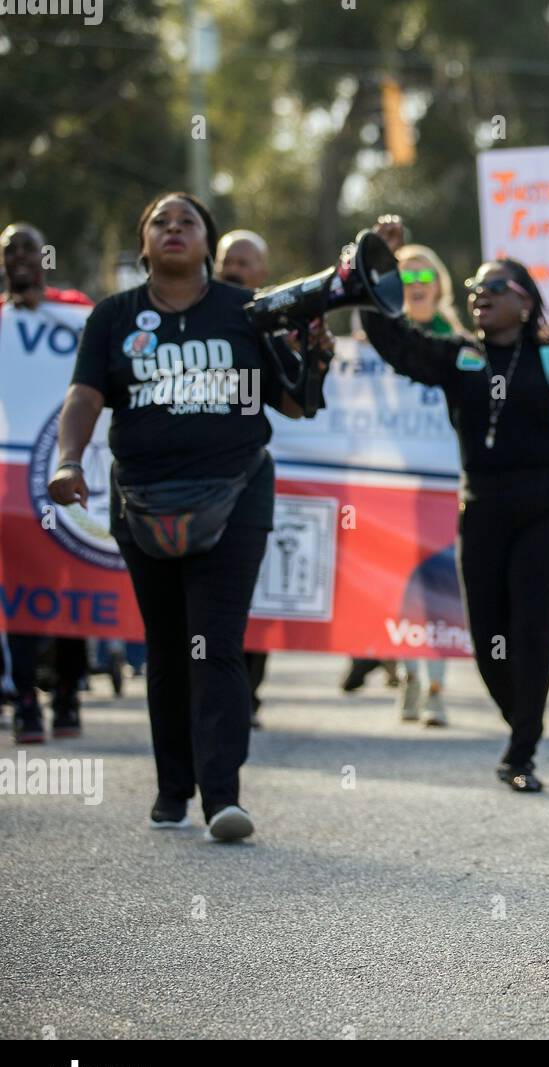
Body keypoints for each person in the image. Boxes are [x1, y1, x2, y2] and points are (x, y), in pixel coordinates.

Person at [48, 191, 332, 841]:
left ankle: (221, 798)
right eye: (160, 222)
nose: (174, 229)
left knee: (216, 641)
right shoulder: (112, 316)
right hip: (142, 501)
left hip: (236, 496)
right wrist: (68, 461)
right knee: (169, 647)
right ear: (143, 243)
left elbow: (293, 405)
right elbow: (85, 395)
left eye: (188, 222)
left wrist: (313, 353)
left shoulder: (246, 313)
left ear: (209, 242)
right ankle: (172, 787)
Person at [360, 216, 549, 792]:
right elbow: (391, 340)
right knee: (488, 638)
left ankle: (521, 752)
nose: (480, 295)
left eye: (495, 287)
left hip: (544, 510)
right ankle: (523, 724)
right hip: (480, 509)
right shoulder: (458, 357)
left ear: (526, 302)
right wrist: (376, 266)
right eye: (475, 288)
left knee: (530, 630)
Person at [1, 222, 93, 743]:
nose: (18, 258)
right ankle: (26, 704)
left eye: (28, 250)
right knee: (21, 592)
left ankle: (67, 692)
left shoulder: (74, 309)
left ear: (45, 258)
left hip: (64, 471)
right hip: (11, 480)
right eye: (9, 251)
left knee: (70, 586)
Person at [385, 241, 467, 726]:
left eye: (423, 277)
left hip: (442, 488)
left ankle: (435, 686)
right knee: (394, 585)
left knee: (436, 588)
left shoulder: (459, 342)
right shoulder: (378, 342)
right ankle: (407, 672)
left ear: (439, 285)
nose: (415, 286)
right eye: (405, 278)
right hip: (391, 490)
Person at [215, 228, 272, 728]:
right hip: (196, 487)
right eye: (226, 261)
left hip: (254, 485)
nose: (233, 269)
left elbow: (298, 400)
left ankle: (244, 695)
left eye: (244, 262)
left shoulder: (272, 325)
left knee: (252, 594)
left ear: (263, 274)